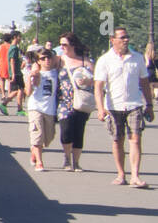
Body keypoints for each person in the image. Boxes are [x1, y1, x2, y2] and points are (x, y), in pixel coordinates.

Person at [94, 27, 155, 187]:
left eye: (127, 37)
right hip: (114, 106)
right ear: (112, 40)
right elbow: (98, 86)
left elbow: (144, 82)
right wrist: (100, 108)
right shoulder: (105, 60)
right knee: (117, 140)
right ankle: (121, 174)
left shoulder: (137, 58)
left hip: (134, 104)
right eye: (122, 37)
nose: (126, 40)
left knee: (135, 138)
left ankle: (135, 175)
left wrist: (149, 105)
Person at [58, 32, 94, 172]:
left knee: (79, 132)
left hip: (81, 101)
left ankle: (76, 162)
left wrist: (87, 81)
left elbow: (96, 80)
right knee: (66, 131)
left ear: (73, 44)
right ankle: (67, 158)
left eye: (64, 44)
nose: (62, 47)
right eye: (61, 44)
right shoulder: (59, 60)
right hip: (64, 102)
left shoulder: (85, 61)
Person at [24, 48, 58, 171]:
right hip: (36, 107)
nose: (46, 60)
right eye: (43, 58)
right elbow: (28, 92)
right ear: (38, 61)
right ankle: (39, 161)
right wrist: (31, 78)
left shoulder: (56, 72)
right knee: (37, 135)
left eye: (48, 57)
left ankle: (34, 151)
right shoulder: (36, 73)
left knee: (48, 137)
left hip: (49, 109)